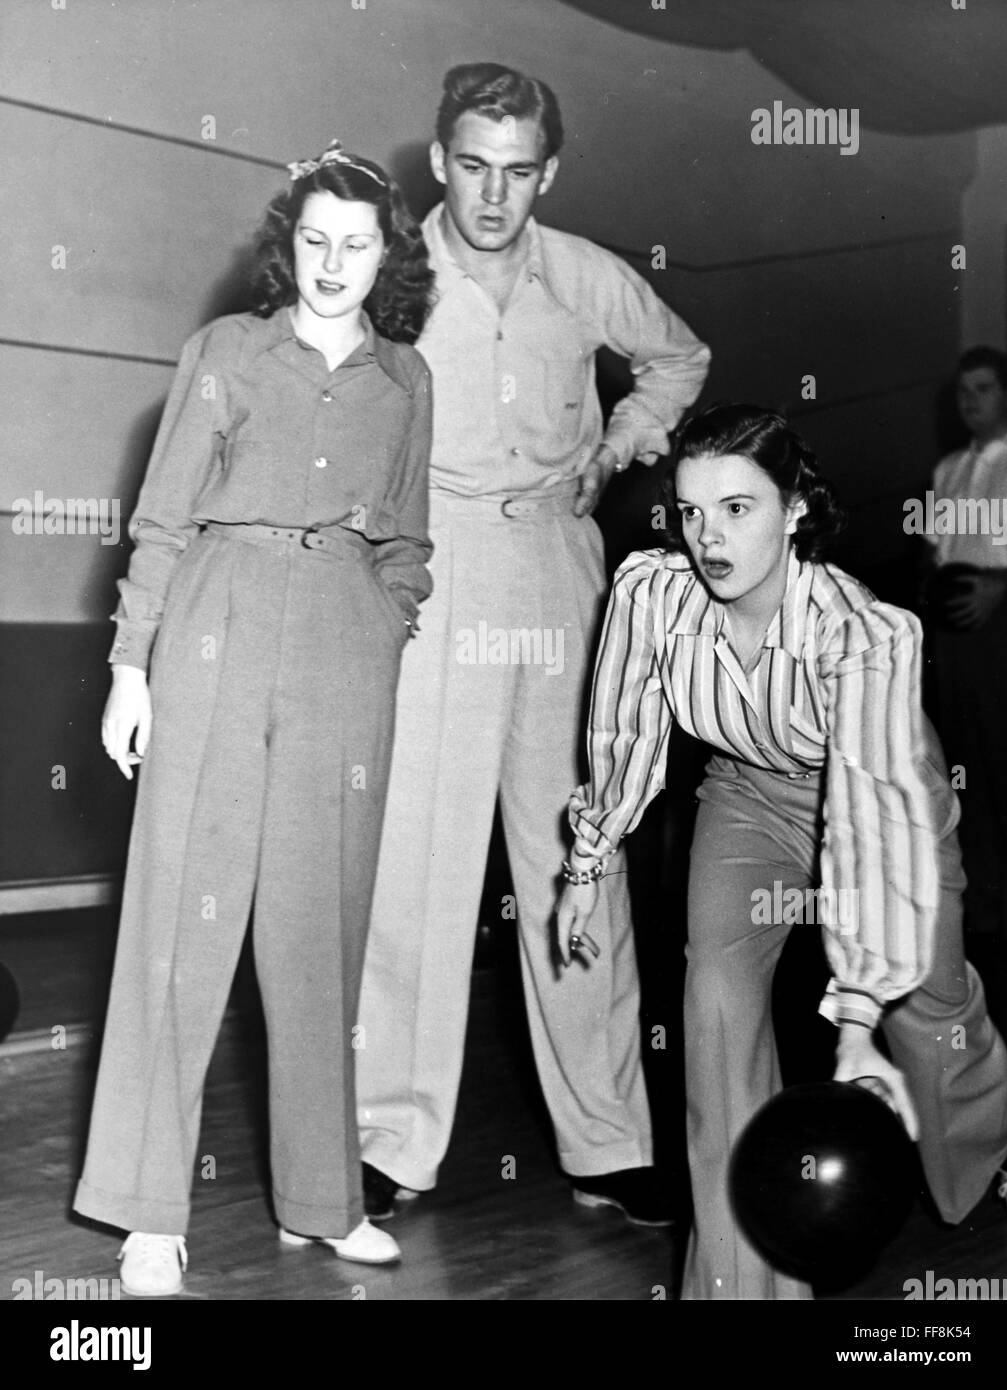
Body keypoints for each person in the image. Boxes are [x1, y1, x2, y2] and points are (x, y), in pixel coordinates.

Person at [73, 142, 434, 1296]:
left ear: (389, 256)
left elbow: (410, 544)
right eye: (315, 239)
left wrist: (383, 623)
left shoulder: (407, 380)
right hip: (216, 627)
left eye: (358, 243)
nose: (334, 264)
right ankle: (145, 1212)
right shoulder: (224, 352)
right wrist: (134, 669)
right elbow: (163, 522)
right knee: (179, 924)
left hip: (344, 643)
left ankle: (325, 1199)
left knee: (319, 929)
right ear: (290, 245)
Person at [558, 403, 1007, 1299]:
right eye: (690, 511)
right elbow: (624, 738)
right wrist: (587, 866)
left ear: (794, 509)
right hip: (746, 796)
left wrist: (853, 1026)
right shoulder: (652, 595)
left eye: (737, 508)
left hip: (882, 799)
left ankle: (997, 1140)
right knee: (715, 1013)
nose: (708, 537)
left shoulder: (860, 633)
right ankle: (739, 1289)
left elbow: (866, 818)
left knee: (926, 1013)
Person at [356, 63, 710, 1226]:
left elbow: (678, 358)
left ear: (546, 172)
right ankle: (389, 1143)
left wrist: (622, 444)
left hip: (558, 570)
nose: (493, 195)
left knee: (578, 854)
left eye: (517, 172)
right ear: (437, 161)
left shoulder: (584, 273)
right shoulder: (395, 269)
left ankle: (607, 1144)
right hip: (438, 569)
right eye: (470, 167)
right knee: (418, 862)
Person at [922, 346, 1007, 945]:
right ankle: (985, 917)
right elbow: (933, 555)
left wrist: (1002, 586)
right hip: (955, 640)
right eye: (963, 391)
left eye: (982, 389)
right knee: (963, 776)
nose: (969, 402)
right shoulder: (948, 469)